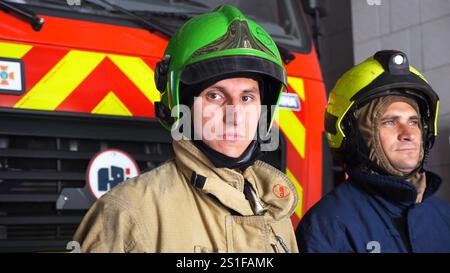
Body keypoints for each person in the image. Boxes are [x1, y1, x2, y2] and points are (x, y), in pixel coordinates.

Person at [73, 5, 299, 253]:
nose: (235, 116)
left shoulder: (276, 210)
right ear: (181, 105)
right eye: (215, 96)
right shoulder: (126, 213)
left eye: (247, 98)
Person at [296, 50, 450, 253]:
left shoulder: (444, 215)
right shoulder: (327, 226)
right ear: (353, 134)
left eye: (413, 121)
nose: (409, 134)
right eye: (389, 122)